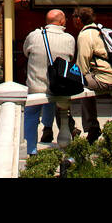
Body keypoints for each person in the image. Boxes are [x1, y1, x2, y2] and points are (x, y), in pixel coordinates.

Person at [22, 9, 76, 156]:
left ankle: (31, 150)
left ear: (47, 21)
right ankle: (48, 128)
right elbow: (71, 57)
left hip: (35, 86)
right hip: (58, 87)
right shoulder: (69, 39)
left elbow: (26, 52)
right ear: (62, 21)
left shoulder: (34, 36)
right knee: (53, 100)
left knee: (31, 115)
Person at [73, 5, 112, 142]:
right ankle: (92, 126)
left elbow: (82, 64)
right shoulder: (101, 30)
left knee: (81, 84)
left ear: (78, 19)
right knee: (86, 82)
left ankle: (92, 127)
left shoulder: (85, 35)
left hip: (106, 80)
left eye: (73, 17)